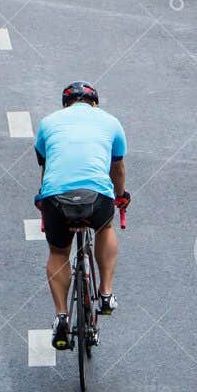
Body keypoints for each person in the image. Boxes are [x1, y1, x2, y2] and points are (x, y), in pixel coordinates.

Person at [34, 81, 129, 351]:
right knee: (105, 228)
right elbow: (118, 169)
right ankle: (106, 293)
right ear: (94, 103)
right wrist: (120, 197)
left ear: (66, 105)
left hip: (56, 198)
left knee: (58, 252)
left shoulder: (48, 123)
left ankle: (62, 316)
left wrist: (44, 198)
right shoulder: (111, 122)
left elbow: (48, 164)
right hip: (96, 197)